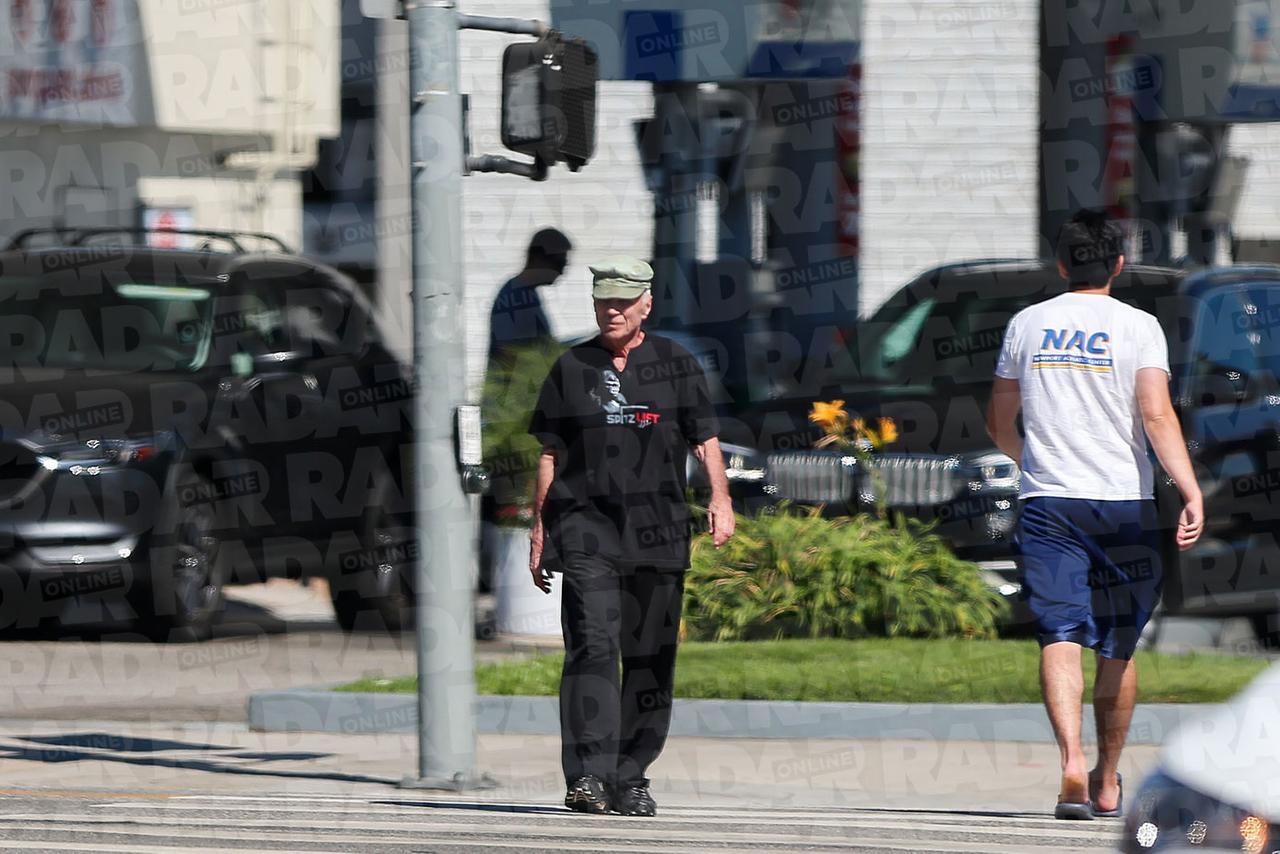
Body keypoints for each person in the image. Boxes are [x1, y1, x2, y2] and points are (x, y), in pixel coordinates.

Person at [986, 209, 1204, 820]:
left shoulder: (1027, 324)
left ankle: (1071, 764)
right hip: (1124, 506)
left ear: (1060, 265)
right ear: (1118, 264)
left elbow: (1000, 418)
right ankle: (1108, 780)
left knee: (1059, 633)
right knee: (1117, 646)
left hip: (1048, 502)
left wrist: (1029, 458)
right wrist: (1190, 489)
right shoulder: (1140, 326)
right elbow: (1157, 416)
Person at [527, 257, 735, 817]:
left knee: (651, 655)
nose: (612, 311)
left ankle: (632, 773)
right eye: (603, 303)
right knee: (592, 647)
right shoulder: (572, 367)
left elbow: (705, 438)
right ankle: (589, 776)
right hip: (587, 527)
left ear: (646, 304)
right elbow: (550, 451)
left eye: (622, 302)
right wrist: (539, 527)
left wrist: (720, 498)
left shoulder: (677, 363)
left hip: (659, 531)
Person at [487, 227, 572, 366]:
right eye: (559, 262)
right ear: (538, 257)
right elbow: (507, 352)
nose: (561, 271)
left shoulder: (529, 294)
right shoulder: (513, 296)